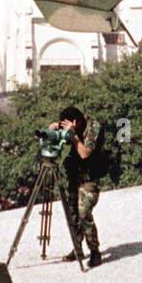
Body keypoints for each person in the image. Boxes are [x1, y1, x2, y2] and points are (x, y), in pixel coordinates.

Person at [53, 106, 105, 268]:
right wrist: (54, 131)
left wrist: (74, 136)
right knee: (72, 213)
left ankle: (95, 252)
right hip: (74, 176)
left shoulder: (93, 127)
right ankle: (77, 249)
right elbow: (60, 142)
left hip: (90, 178)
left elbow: (84, 153)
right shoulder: (74, 127)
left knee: (83, 214)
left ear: (75, 122)